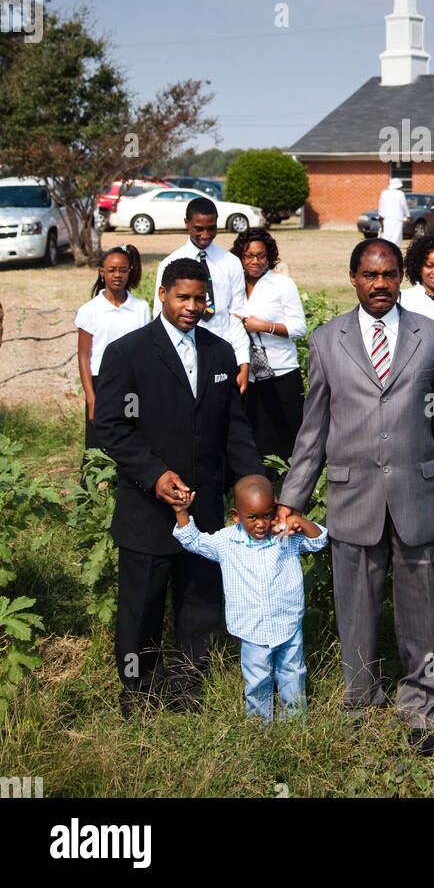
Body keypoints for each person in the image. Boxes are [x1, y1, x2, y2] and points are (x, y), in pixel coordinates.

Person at [275, 239, 434, 754]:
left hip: (419, 495)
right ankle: (360, 700)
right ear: (353, 278)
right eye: (369, 275)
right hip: (352, 497)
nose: (379, 283)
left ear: (400, 278)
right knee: (355, 608)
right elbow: (312, 430)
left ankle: (423, 706)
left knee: (424, 609)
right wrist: (291, 498)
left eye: (388, 275)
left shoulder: (430, 337)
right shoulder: (325, 340)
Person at [94, 258, 265, 717]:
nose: (192, 307)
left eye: (200, 299)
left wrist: (255, 486)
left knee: (200, 599)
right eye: (183, 297)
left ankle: (190, 685)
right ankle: (138, 693)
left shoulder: (219, 353)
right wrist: (154, 475)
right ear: (163, 294)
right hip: (147, 509)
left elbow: (234, 430)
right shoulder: (128, 353)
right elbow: (112, 427)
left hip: (205, 507)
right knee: (141, 605)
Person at [169, 474, 327, 723]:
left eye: (267, 515)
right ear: (236, 515)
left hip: (287, 622)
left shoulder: (285, 536)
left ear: (275, 508)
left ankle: (295, 721)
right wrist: (181, 511)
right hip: (251, 627)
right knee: (257, 677)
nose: (261, 524)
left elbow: (319, 541)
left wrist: (298, 520)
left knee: (293, 672)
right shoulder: (226, 542)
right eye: (252, 517)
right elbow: (193, 541)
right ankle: (259, 724)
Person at [153, 197, 250, 395]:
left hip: (221, 350)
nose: (205, 235)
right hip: (183, 352)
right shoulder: (170, 263)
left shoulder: (230, 263)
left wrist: (242, 359)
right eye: (198, 228)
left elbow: (237, 314)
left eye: (211, 228)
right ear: (186, 224)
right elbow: (160, 311)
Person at [229, 228, 306, 475]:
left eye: (261, 256)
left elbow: (299, 328)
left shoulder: (281, 285)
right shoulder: (234, 285)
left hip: (281, 373)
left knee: (285, 441)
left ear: (269, 257)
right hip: (246, 375)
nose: (255, 261)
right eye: (249, 256)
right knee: (252, 439)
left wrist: (265, 326)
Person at [75, 243, 150, 454]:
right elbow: (84, 357)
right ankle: (91, 486)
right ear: (102, 273)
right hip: (102, 385)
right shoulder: (90, 311)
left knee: (131, 435)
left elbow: (145, 352)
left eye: (122, 270)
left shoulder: (140, 308)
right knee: (97, 444)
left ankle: (127, 484)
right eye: (111, 270)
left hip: (131, 387)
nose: (117, 275)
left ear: (130, 271)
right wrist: (91, 398)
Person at [377, 177, 410, 245]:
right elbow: (403, 205)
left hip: (387, 217)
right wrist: (407, 215)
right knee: (396, 234)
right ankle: (394, 247)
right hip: (397, 217)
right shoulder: (400, 193)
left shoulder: (384, 193)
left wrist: (380, 213)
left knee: (387, 233)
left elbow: (381, 204)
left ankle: (386, 245)